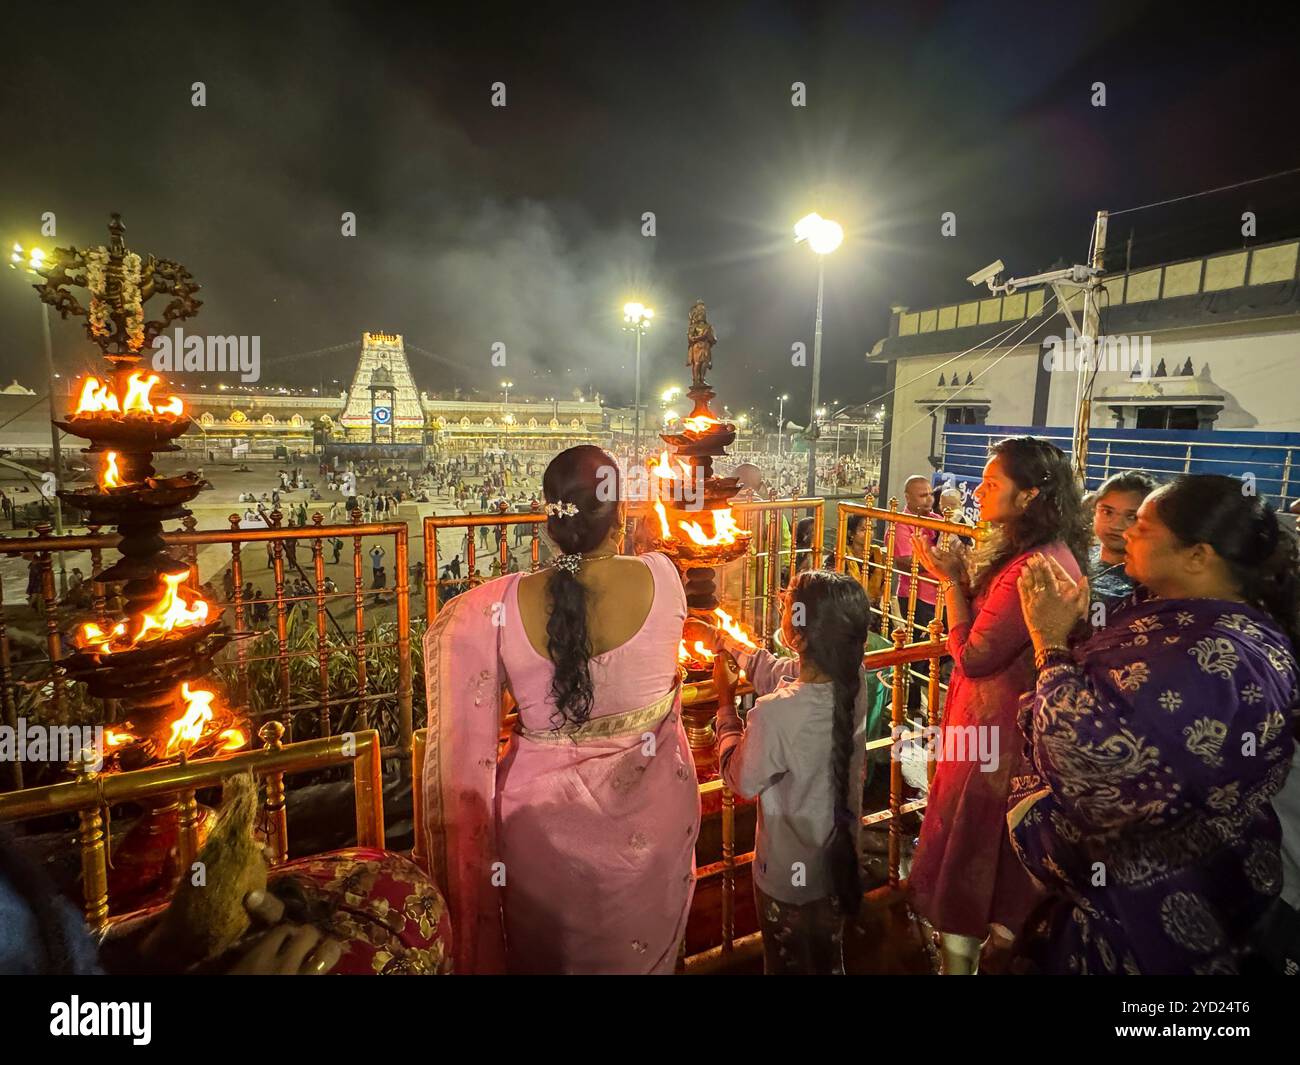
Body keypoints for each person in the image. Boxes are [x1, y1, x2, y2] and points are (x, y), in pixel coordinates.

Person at [423, 445, 699, 974]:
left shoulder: (495, 607)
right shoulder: (664, 578)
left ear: (549, 517)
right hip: (653, 836)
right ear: (620, 511)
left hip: (543, 840)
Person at [1011, 474, 1300, 974]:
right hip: (1131, 896)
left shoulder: (1217, 656)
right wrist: (1074, 626)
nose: (1127, 533)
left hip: (1163, 914)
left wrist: (1050, 643)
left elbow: (1095, 770)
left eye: (1142, 524)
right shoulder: (1174, 612)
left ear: (1197, 556)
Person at [908, 436, 1089, 974]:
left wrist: (949, 586)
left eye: (992, 483)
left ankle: (963, 958)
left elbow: (972, 656)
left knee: (972, 839)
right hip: (1004, 721)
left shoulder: (1031, 568)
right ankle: (996, 943)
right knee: (997, 843)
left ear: (1030, 495)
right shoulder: (1042, 554)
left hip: (993, 728)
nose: (980, 491)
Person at [687, 571, 870, 974]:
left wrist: (724, 703)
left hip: (787, 877)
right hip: (837, 865)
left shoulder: (776, 714)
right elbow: (781, 672)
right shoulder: (855, 681)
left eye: (787, 605)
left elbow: (739, 777)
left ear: (798, 636)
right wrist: (729, 644)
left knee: (785, 963)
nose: (782, 607)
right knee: (826, 961)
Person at [892, 475, 943, 715]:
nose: (929, 499)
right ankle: (910, 703)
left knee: (935, 649)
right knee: (915, 651)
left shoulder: (938, 521)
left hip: (940, 596)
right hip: (914, 597)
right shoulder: (902, 523)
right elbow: (904, 561)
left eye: (931, 493)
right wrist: (938, 558)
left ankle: (921, 698)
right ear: (908, 497)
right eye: (923, 495)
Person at [1087, 470, 1156, 604]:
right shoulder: (1079, 557)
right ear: (1094, 511)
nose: (1116, 525)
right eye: (1107, 512)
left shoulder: (1149, 583)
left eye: (1131, 517)